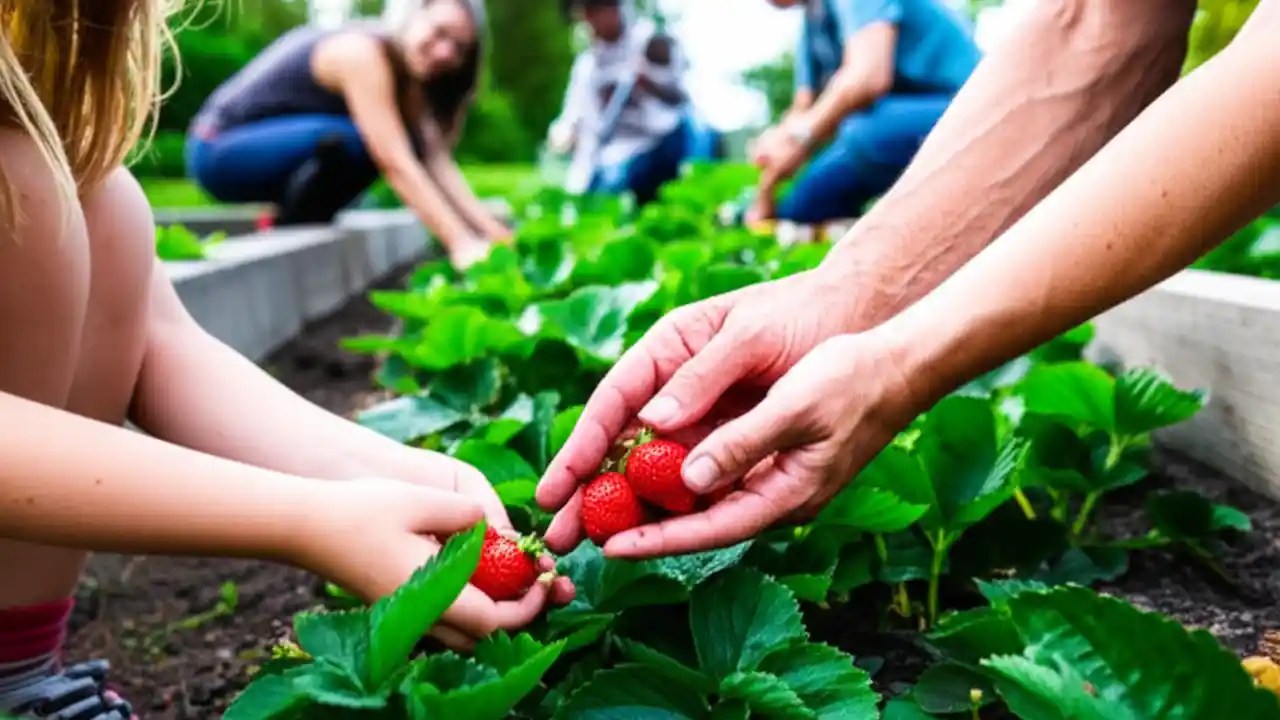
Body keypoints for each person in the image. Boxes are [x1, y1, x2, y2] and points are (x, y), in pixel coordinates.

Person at [537, 0, 1280, 559]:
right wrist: (845, 297)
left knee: (855, 146)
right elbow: (1096, 24)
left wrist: (901, 360)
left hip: (924, 110)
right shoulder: (808, 32)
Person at [0, 2, 569, 717]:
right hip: (244, 153)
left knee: (102, 199)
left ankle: (19, 672)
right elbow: (396, 157)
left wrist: (408, 473)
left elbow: (159, 345)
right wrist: (310, 521)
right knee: (27, 178)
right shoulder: (362, 52)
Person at [186, 0, 509, 270]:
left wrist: (496, 236)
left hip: (275, 146)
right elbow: (394, 159)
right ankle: (294, 221)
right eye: (439, 33)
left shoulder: (410, 81)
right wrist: (461, 244)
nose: (444, 53)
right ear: (413, 14)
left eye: (459, 47)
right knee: (358, 141)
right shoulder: (361, 53)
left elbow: (437, 162)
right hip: (217, 149)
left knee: (369, 140)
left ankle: (291, 220)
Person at [746, 0, 981, 224]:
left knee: (862, 135)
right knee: (799, 204)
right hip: (889, 123)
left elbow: (868, 78)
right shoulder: (812, 25)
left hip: (960, 110)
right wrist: (770, 170)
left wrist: (799, 137)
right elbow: (802, 113)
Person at [548, 0, 719, 205]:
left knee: (696, 130)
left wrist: (648, 81)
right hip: (611, 155)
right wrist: (563, 133)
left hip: (654, 144)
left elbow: (681, 97)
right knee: (602, 190)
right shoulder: (587, 65)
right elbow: (572, 115)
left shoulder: (650, 44)